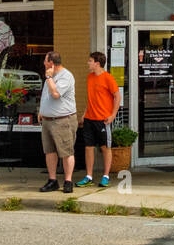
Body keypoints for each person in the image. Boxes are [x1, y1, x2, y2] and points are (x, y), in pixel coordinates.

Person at [76, 51, 122, 188]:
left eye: (90, 61)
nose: (88, 63)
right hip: (89, 118)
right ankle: (89, 176)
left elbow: (117, 97)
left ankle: (106, 176)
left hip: (103, 119)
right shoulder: (90, 77)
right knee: (88, 147)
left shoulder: (108, 78)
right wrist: (84, 114)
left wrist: (113, 115)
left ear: (97, 63)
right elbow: (91, 99)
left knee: (105, 147)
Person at [38, 51, 78, 193]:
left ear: (51, 63)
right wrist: (41, 111)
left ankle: (68, 181)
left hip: (62, 120)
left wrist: (48, 77)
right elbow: (46, 95)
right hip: (48, 120)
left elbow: (55, 94)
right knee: (49, 151)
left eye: (45, 60)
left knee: (66, 151)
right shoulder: (50, 76)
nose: (43, 63)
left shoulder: (66, 76)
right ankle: (52, 180)